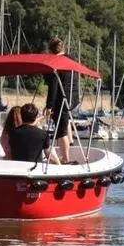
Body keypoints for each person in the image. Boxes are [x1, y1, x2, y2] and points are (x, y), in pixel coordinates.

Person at [44, 35, 78, 164]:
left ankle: (65, 158)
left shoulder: (55, 64)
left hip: (62, 99)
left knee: (60, 131)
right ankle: (71, 144)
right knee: (65, 122)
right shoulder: (71, 59)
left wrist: (49, 106)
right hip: (73, 98)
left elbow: (53, 86)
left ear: (52, 51)